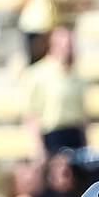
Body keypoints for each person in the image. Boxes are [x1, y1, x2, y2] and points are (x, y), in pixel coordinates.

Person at [22, 26, 88, 159]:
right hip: (52, 136)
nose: (67, 49)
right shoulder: (37, 74)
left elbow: (83, 115)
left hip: (74, 135)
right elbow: (31, 114)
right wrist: (38, 148)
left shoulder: (76, 75)